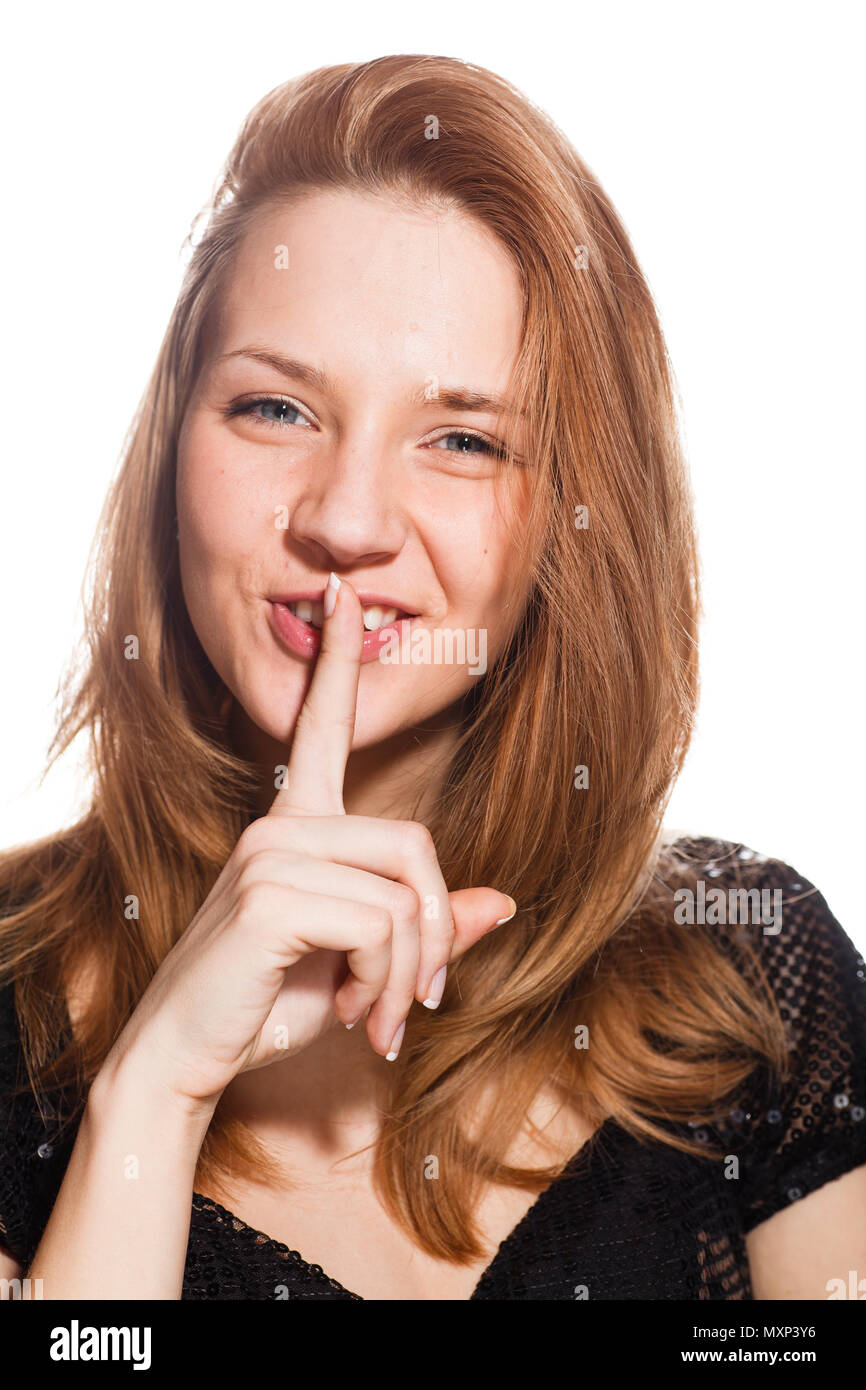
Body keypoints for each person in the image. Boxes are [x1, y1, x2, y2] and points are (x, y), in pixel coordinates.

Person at [1, 54, 864, 1301]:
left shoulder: (750, 976)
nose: (347, 520)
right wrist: (152, 1093)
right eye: (274, 410)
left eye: (461, 439)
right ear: (173, 442)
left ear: (575, 511)